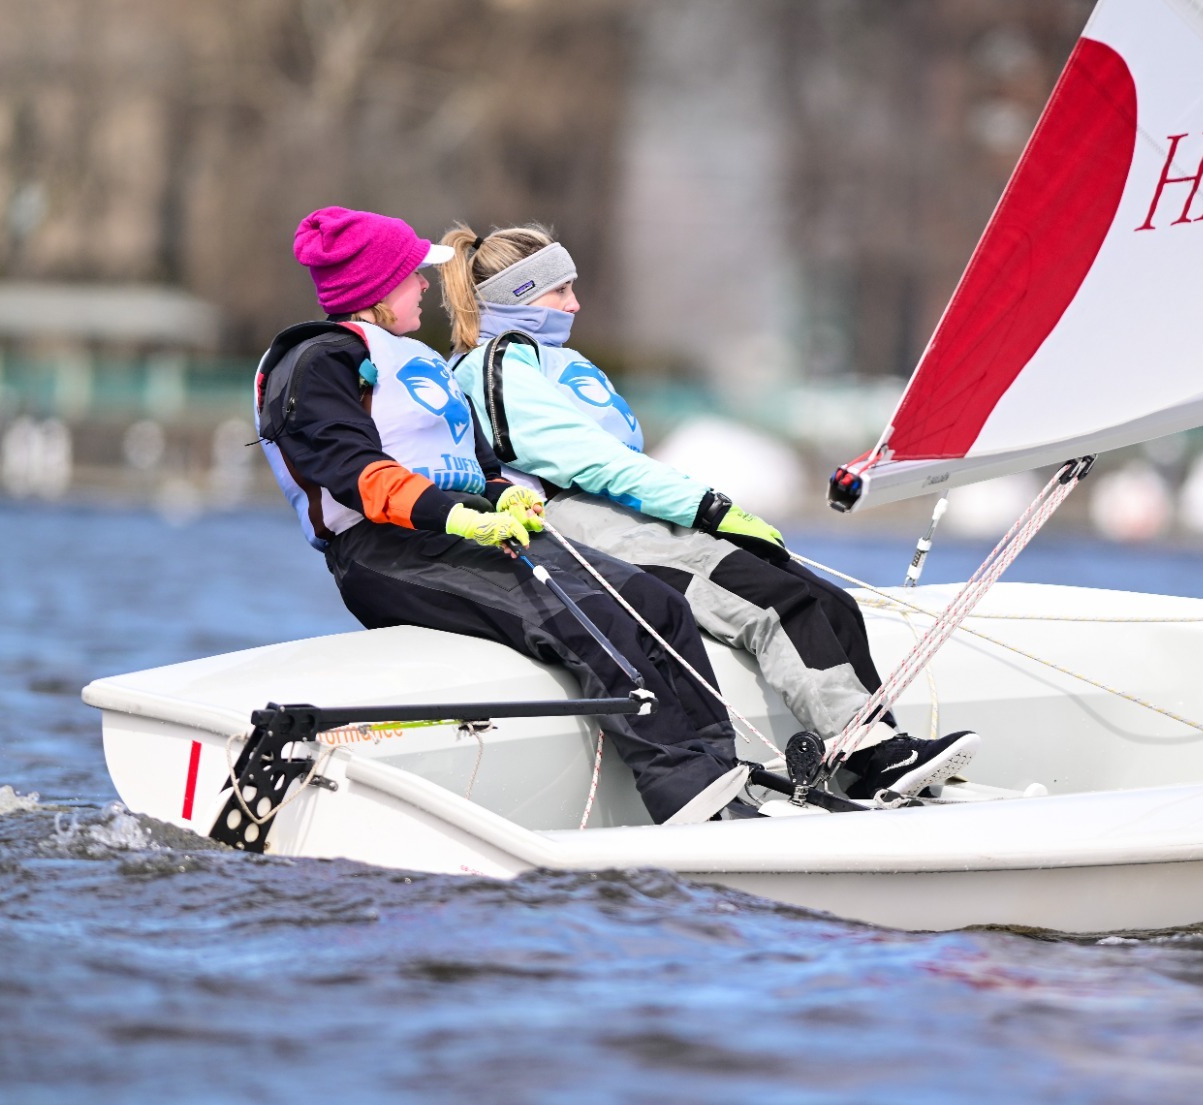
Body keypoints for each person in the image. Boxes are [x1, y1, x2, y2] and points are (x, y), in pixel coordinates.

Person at [436, 222, 978, 801]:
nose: (576, 303)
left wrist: (703, 511)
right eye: (560, 291)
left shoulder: (542, 361)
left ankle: (875, 758)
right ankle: (868, 753)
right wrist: (710, 509)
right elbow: (596, 465)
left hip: (633, 519)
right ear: (520, 297)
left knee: (831, 602)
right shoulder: (494, 371)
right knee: (774, 602)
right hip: (581, 526)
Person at [256, 206, 751, 824]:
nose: (427, 285)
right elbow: (355, 474)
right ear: (379, 289)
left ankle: (725, 785)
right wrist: (458, 518)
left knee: (656, 606)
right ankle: (686, 803)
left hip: (477, 534)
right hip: (387, 552)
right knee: (594, 619)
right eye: (414, 274)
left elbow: (476, 459)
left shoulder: (415, 357)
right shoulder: (314, 362)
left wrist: (501, 494)